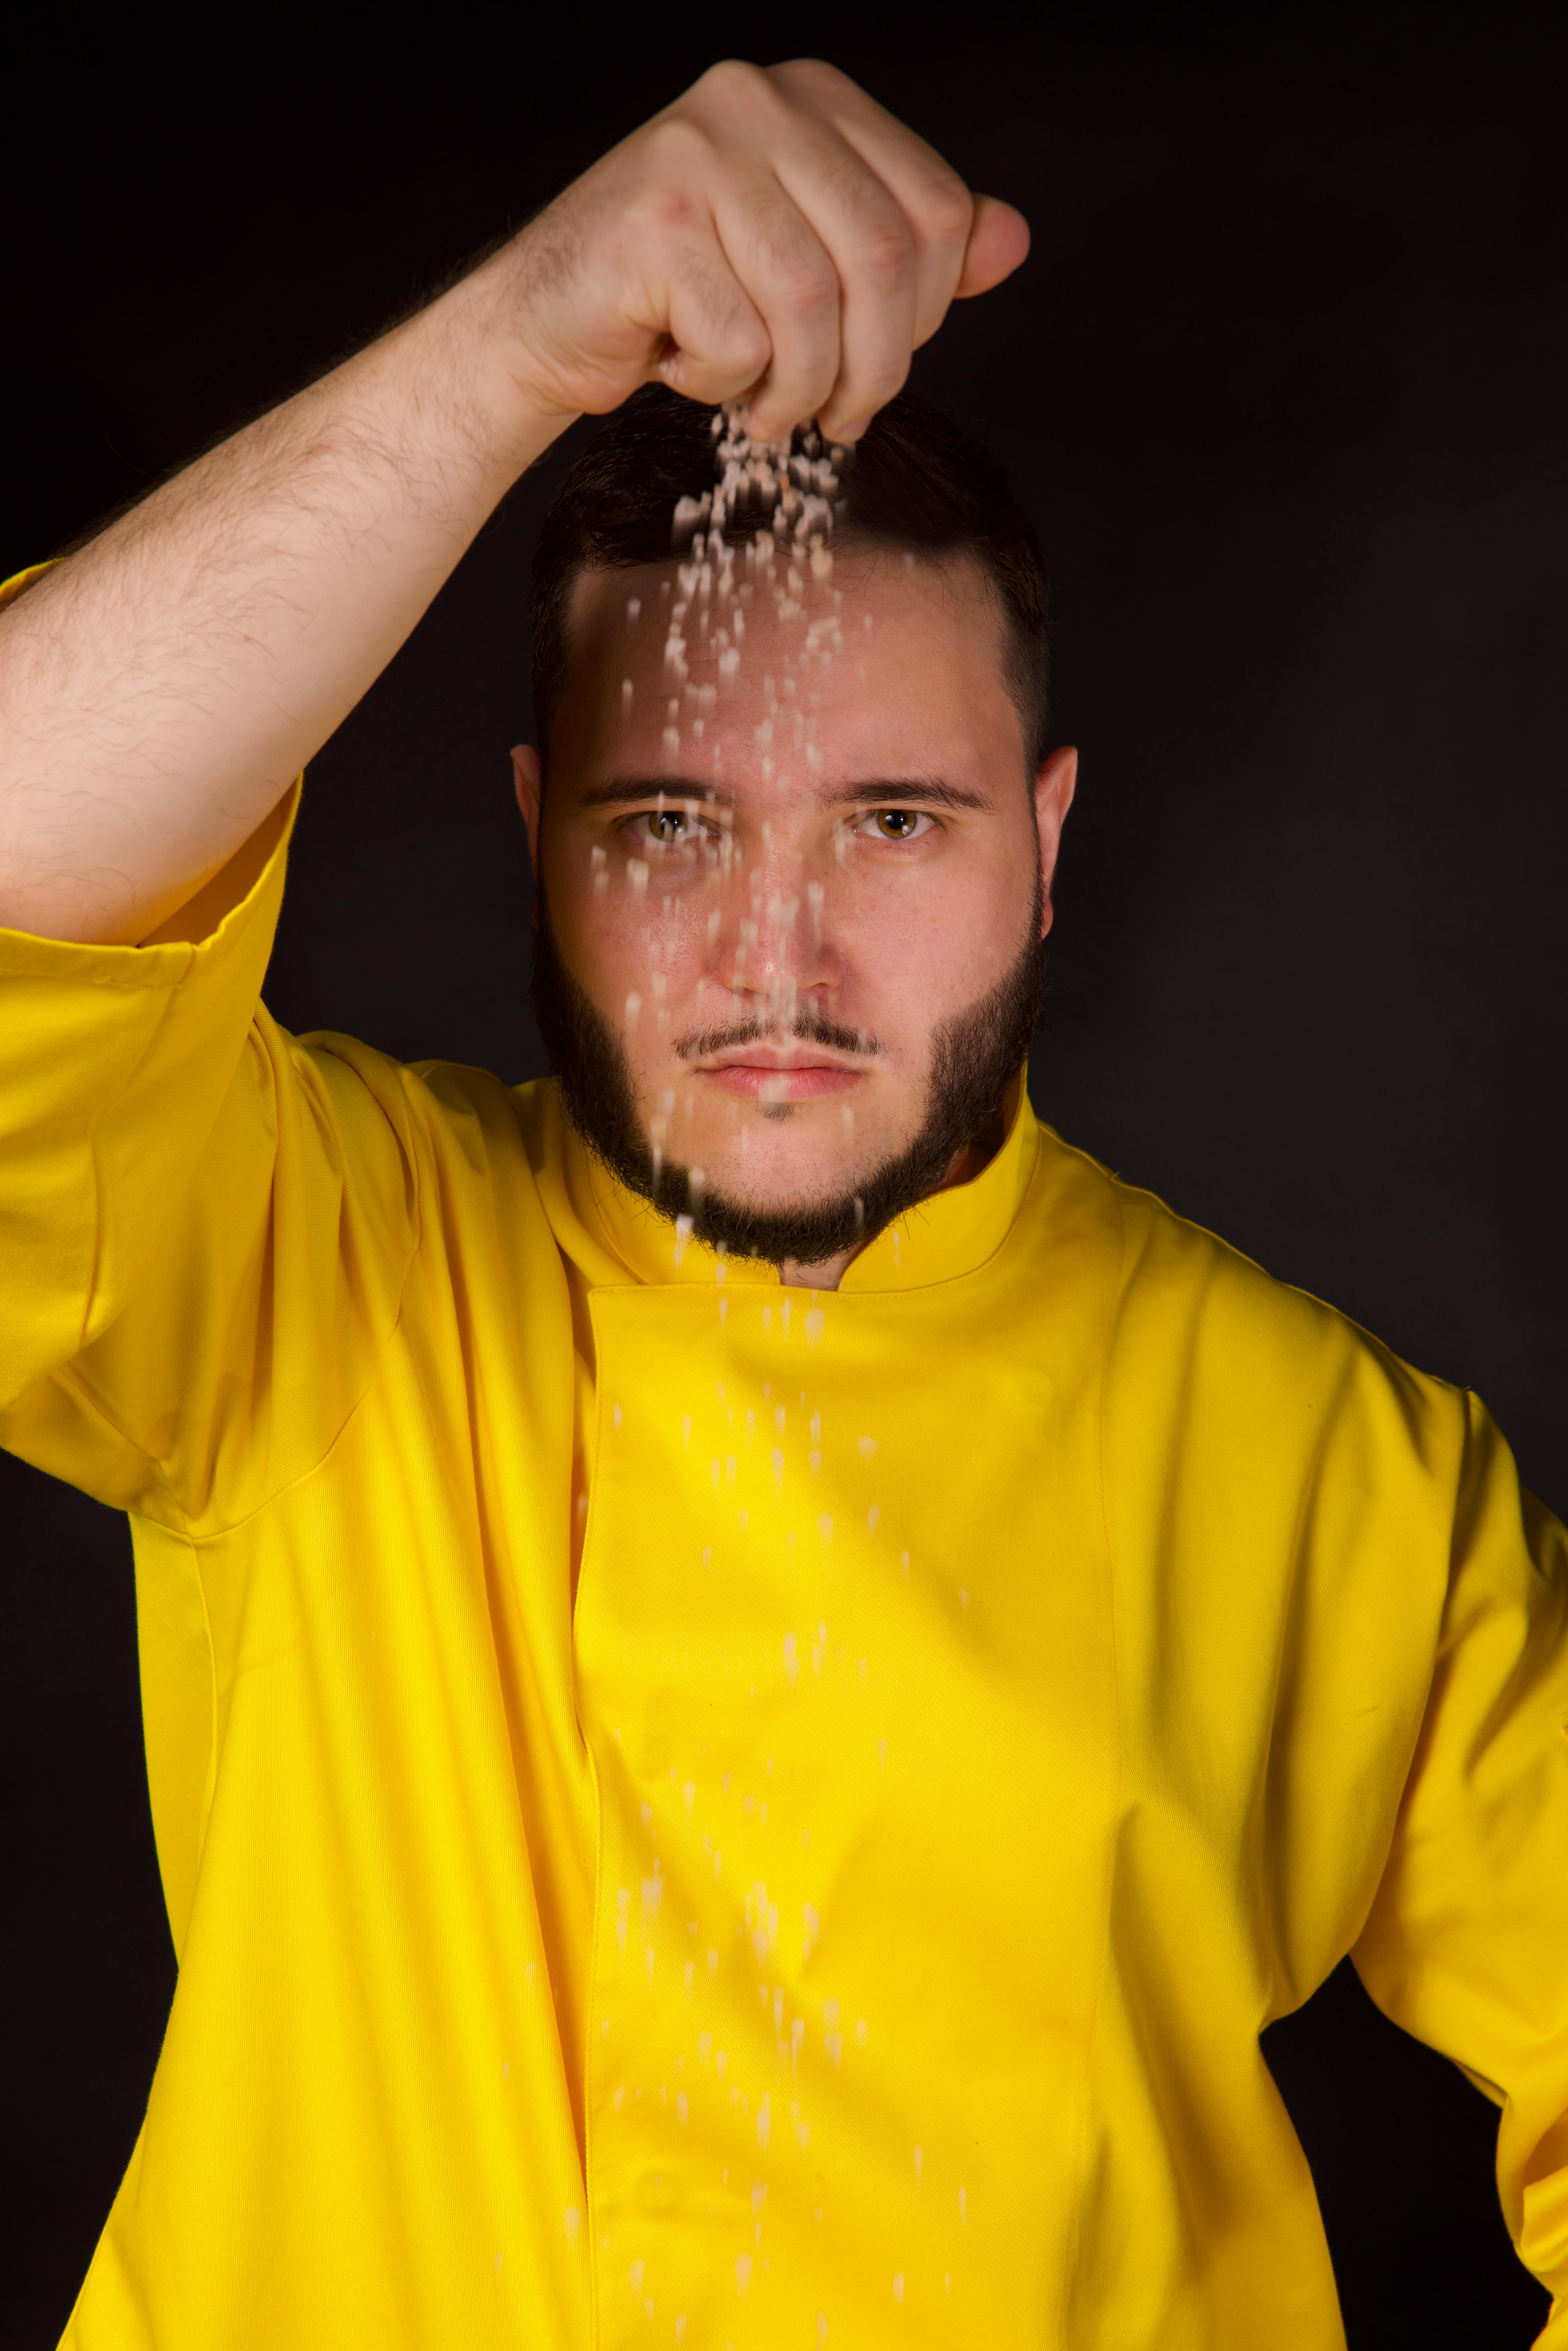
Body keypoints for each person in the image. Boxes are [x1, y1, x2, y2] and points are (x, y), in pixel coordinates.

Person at [0, 53, 1562, 2351]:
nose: (771, 955)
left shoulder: (1346, 1473)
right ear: (540, 830)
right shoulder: (309, 1259)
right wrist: (522, 334)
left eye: (894, 823)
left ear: (1041, 842)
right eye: (667, 825)